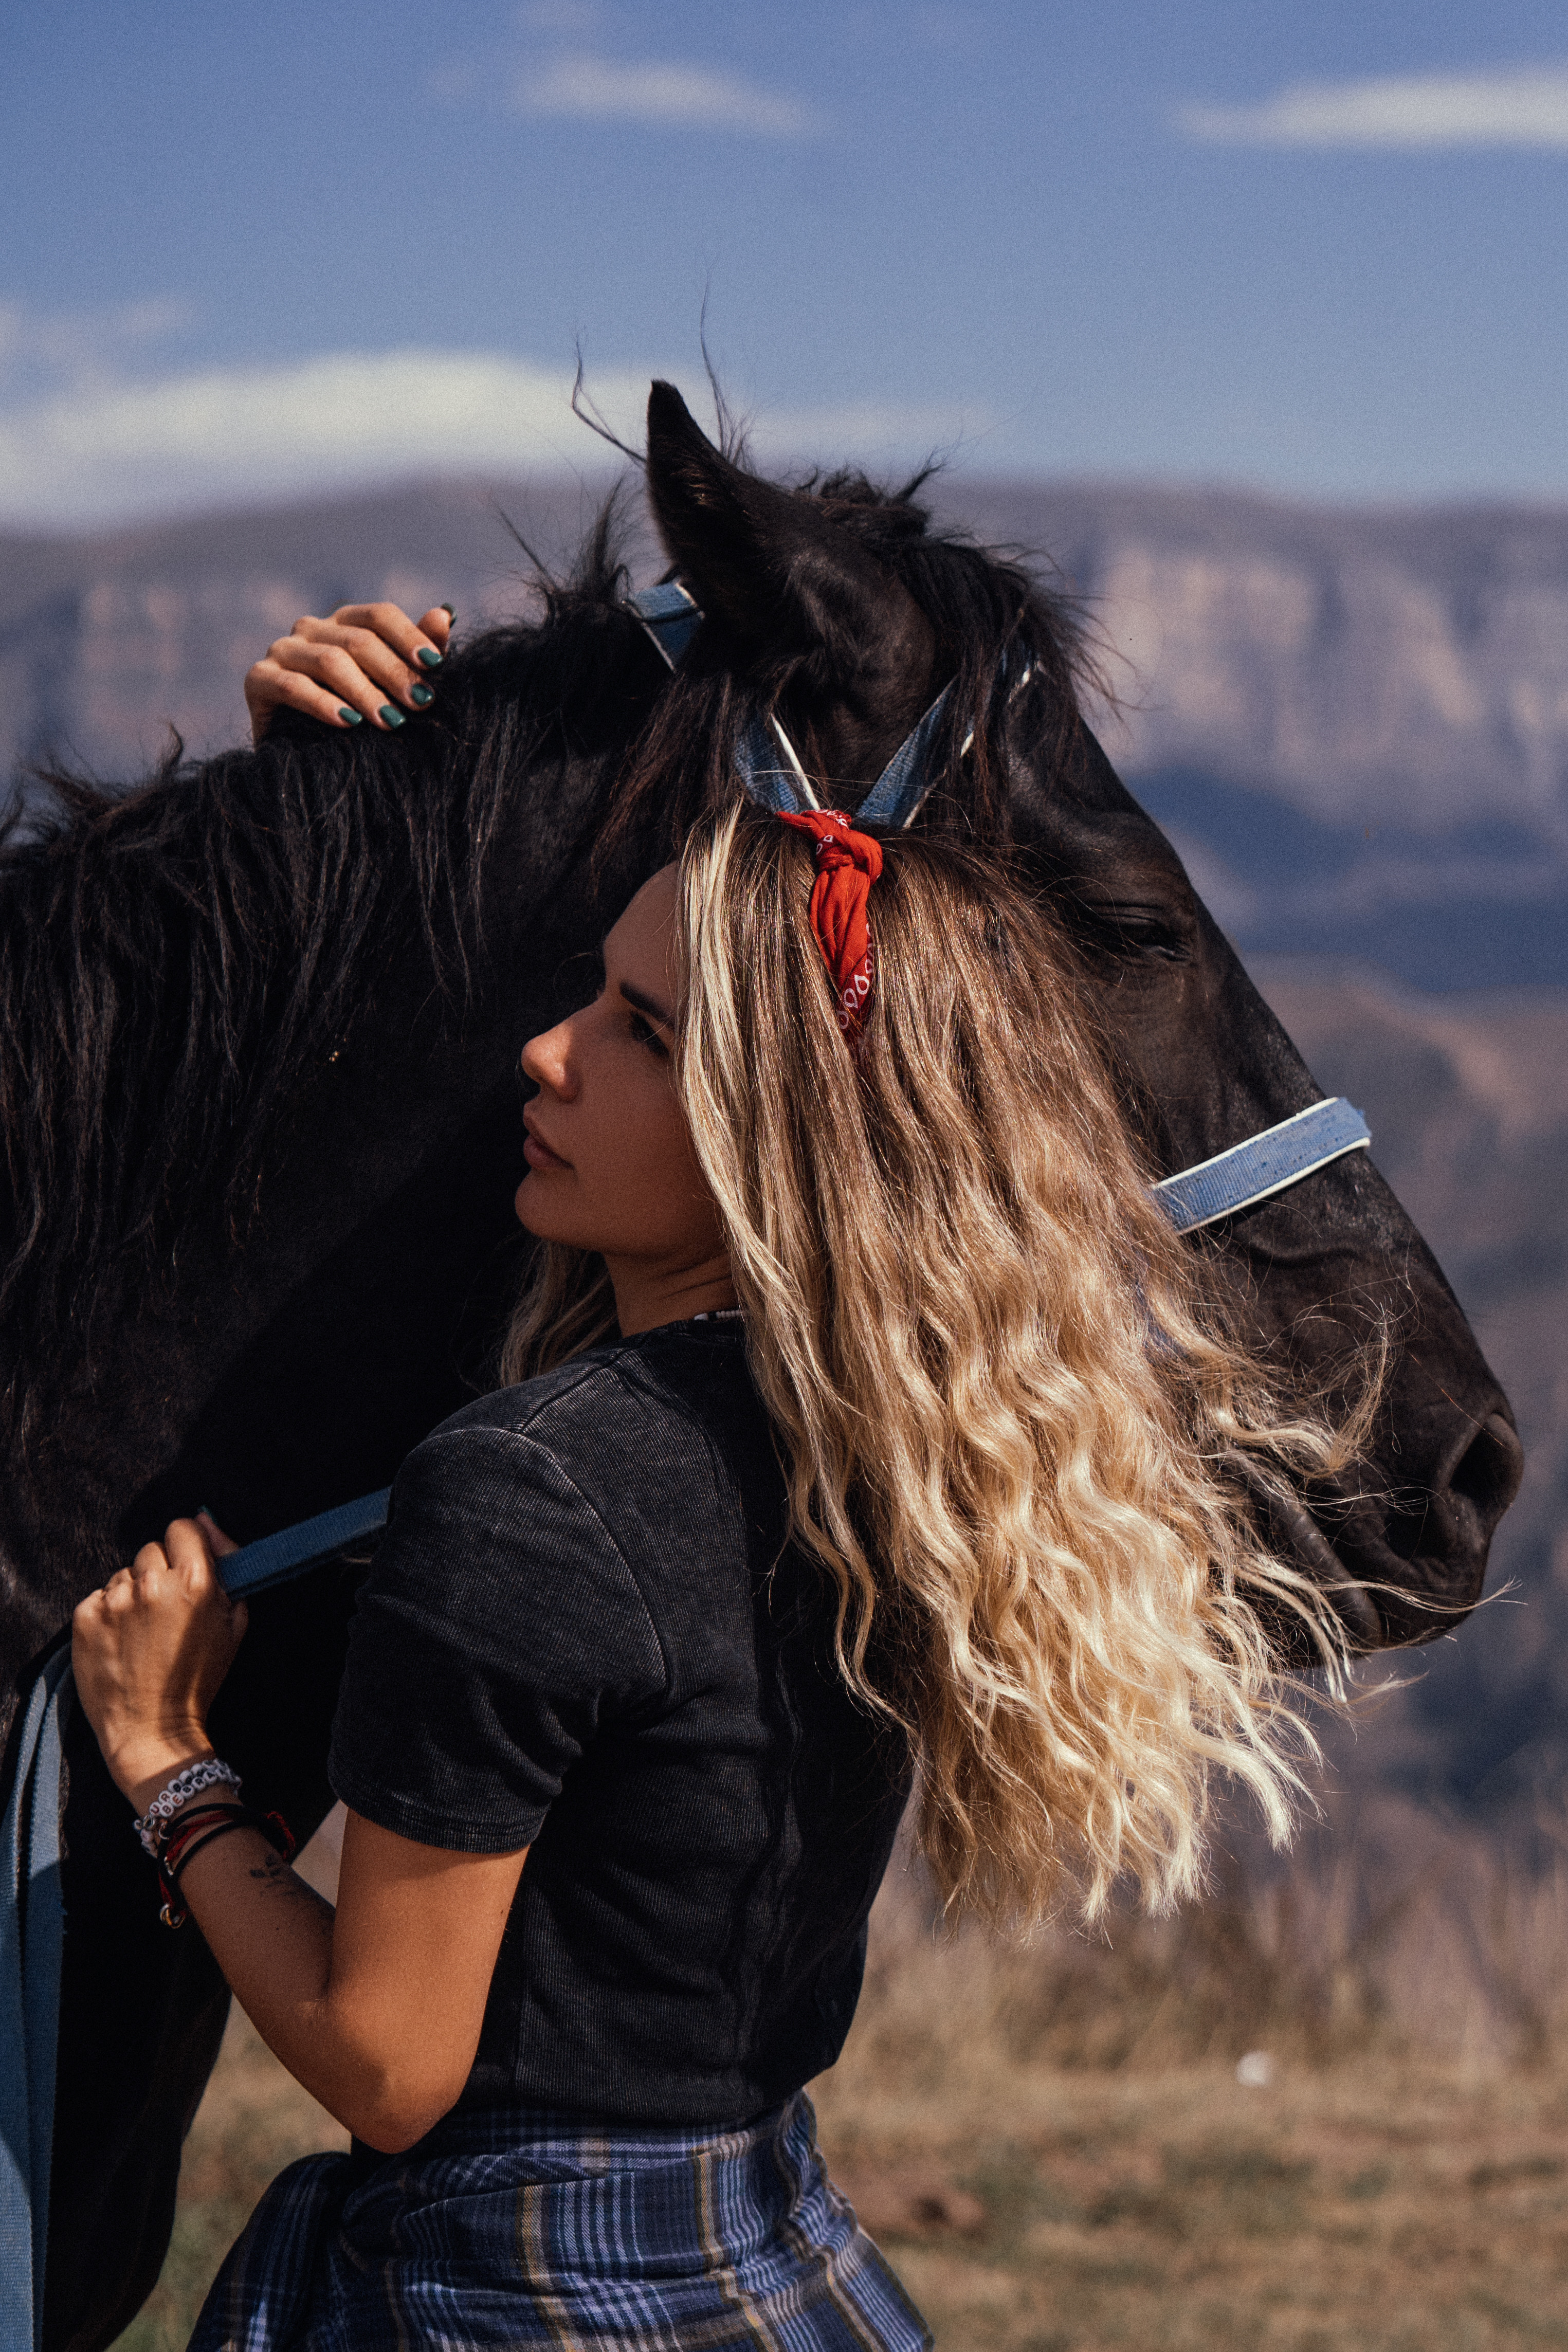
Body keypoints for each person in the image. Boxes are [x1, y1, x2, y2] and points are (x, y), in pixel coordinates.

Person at [72, 611, 1351, 2349]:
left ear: (778, 1129)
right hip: (759, 2247)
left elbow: (386, 2067)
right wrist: (323, 814)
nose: (544, 1051)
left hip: (509, 2295)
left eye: (642, 1033)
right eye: (584, 993)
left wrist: (170, 1762)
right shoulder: (906, 1443)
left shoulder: (527, 1492)